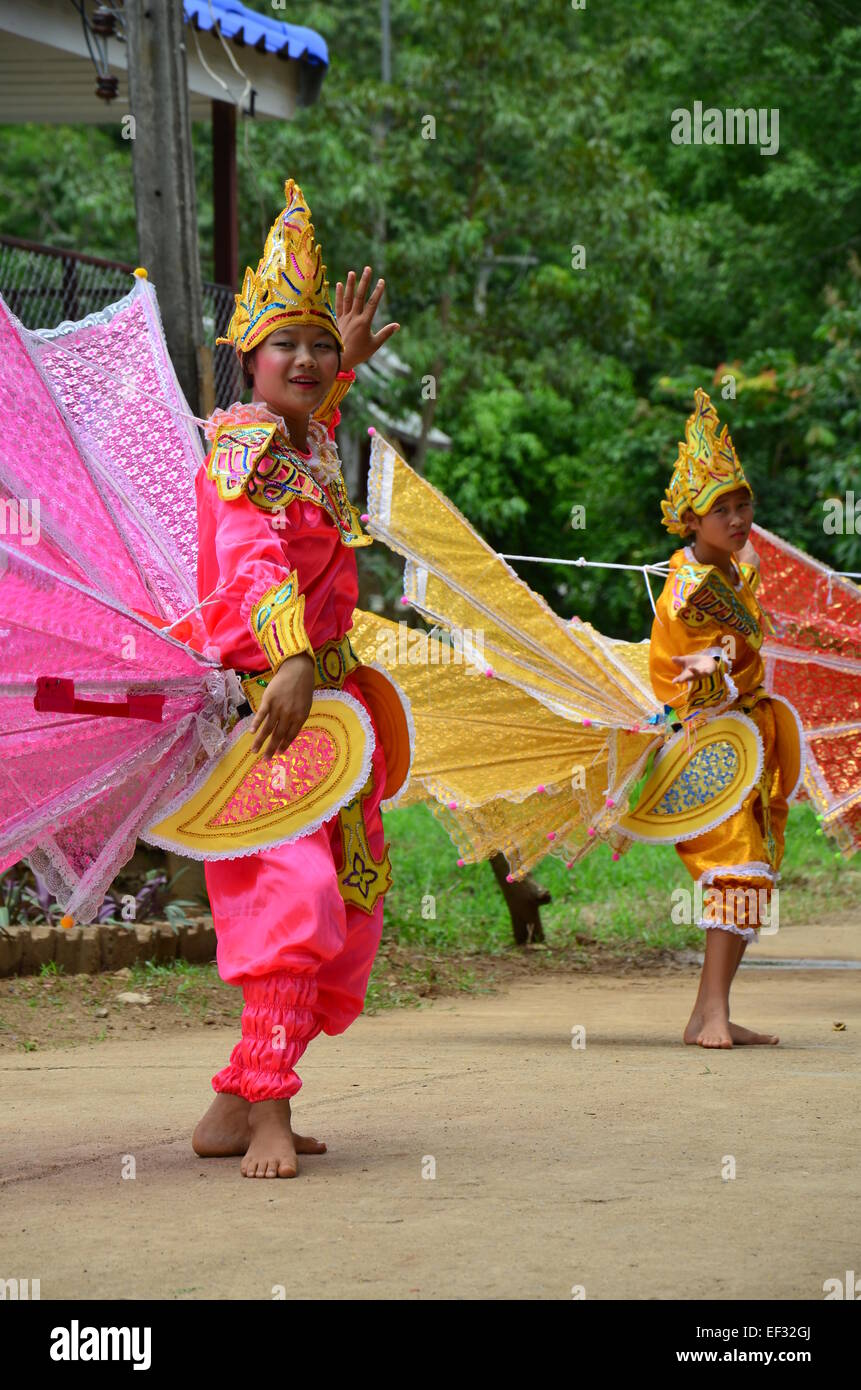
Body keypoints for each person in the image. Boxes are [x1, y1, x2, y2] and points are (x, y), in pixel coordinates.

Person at [189, 177, 408, 1177]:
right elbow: (249, 558)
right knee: (300, 901)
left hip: (331, 716)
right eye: (290, 344)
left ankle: (234, 1102)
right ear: (249, 357)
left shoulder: (307, 442)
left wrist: (345, 366)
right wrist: (283, 655)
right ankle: (270, 1113)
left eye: (321, 344)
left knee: (350, 916)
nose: (310, 360)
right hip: (265, 716)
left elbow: (310, 437)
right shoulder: (242, 451)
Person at [649, 387, 801, 1047]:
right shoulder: (692, 587)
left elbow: (744, 626)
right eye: (722, 509)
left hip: (746, 740)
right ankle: (709, 1012)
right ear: (690, 518)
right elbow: (701, 665)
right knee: (736, 865)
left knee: (756, 872)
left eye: (743, 506)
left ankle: (709, 1010)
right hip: (701, 745)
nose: (738, 519)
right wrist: (710, 671)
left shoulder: (728, 573)